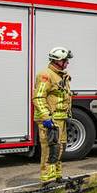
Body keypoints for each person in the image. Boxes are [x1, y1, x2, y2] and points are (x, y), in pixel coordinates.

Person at [32, 47, 73, 184]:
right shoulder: (46, 75)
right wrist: (46, 117)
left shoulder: (61, 75)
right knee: (50, 150)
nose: (67, 63)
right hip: (51, 120)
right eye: (66, 60)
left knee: (59, 148)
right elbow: (38, 97)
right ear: (59, 61)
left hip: (61, 119)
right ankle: (47, 180)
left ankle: (57, 176)